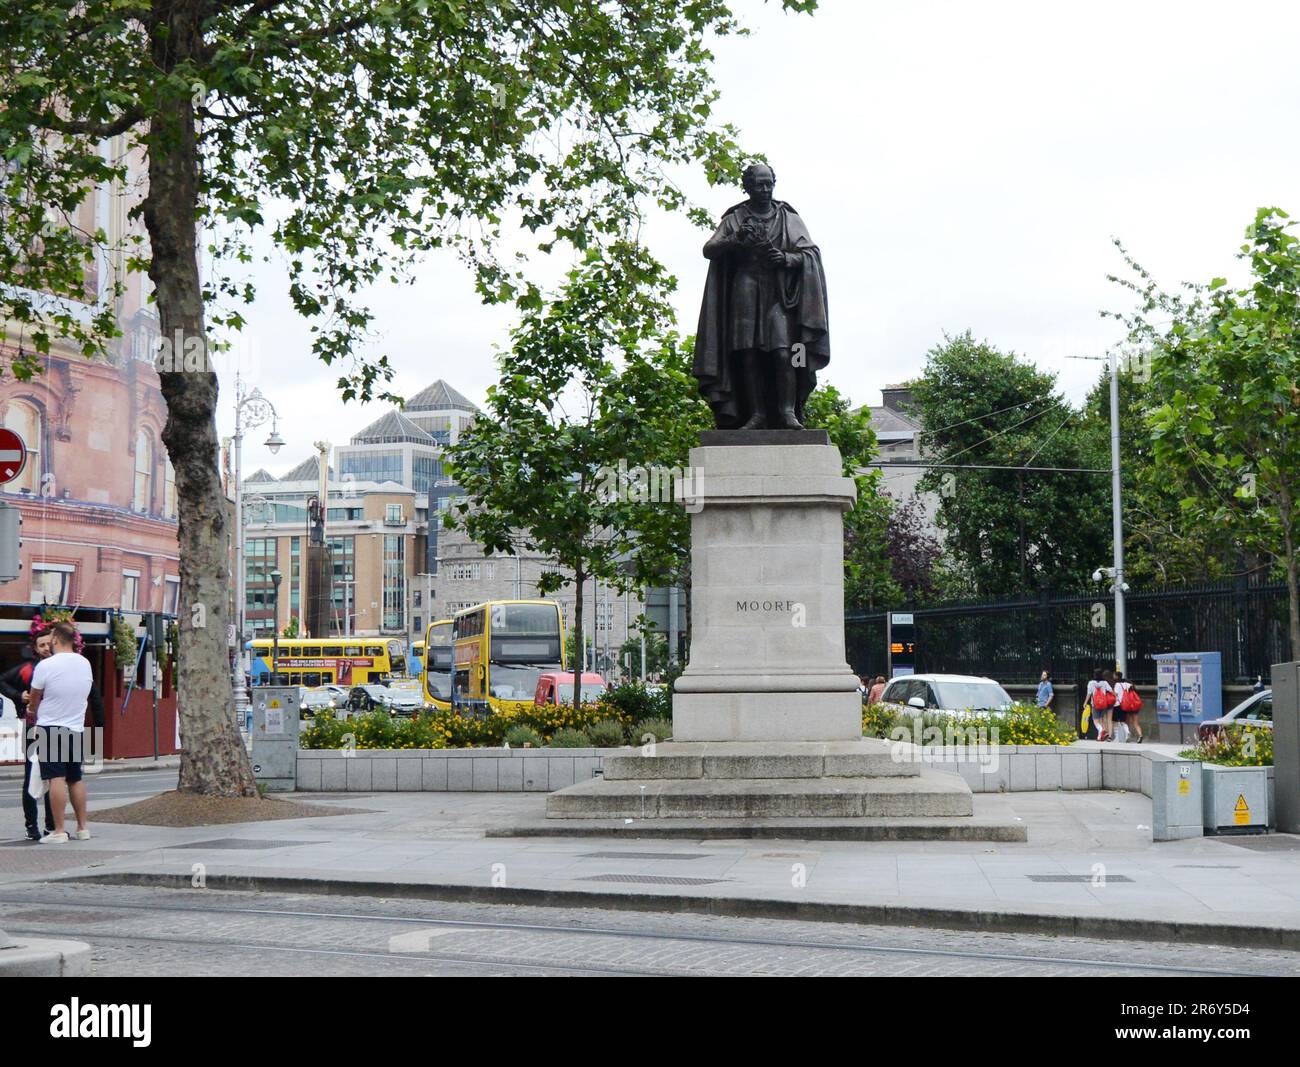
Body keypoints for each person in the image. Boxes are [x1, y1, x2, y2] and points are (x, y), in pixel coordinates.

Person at [28, 621, 93, 844]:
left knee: (56, 778)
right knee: (75, 778)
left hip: (50, 726)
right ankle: (83, 828)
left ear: (55, 639)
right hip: (76, 726)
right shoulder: (85, 663)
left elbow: (35, 696)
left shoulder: (46, 666)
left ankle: (58, 830)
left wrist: (31, 710)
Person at [0, 630, 54, 840]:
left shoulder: (60, 667)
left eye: (49, 644)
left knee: (54, 778)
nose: (46, 648)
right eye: (41, 645)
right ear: (35, 649)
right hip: (33, 729)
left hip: (56, 729)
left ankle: (52, 825)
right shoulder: (28, 669)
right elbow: (2, 681)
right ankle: (31, 825)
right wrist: (18, 695)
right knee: (32, 776)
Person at [1114, 670, 1143, 744]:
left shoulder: (1119, 685)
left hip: (1127, 706)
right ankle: (1140, 735)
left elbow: (1116, 694)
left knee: (1126, 722)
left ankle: (1127, 736)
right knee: (1136, 723)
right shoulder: (1130, 686)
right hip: (1135, 705)